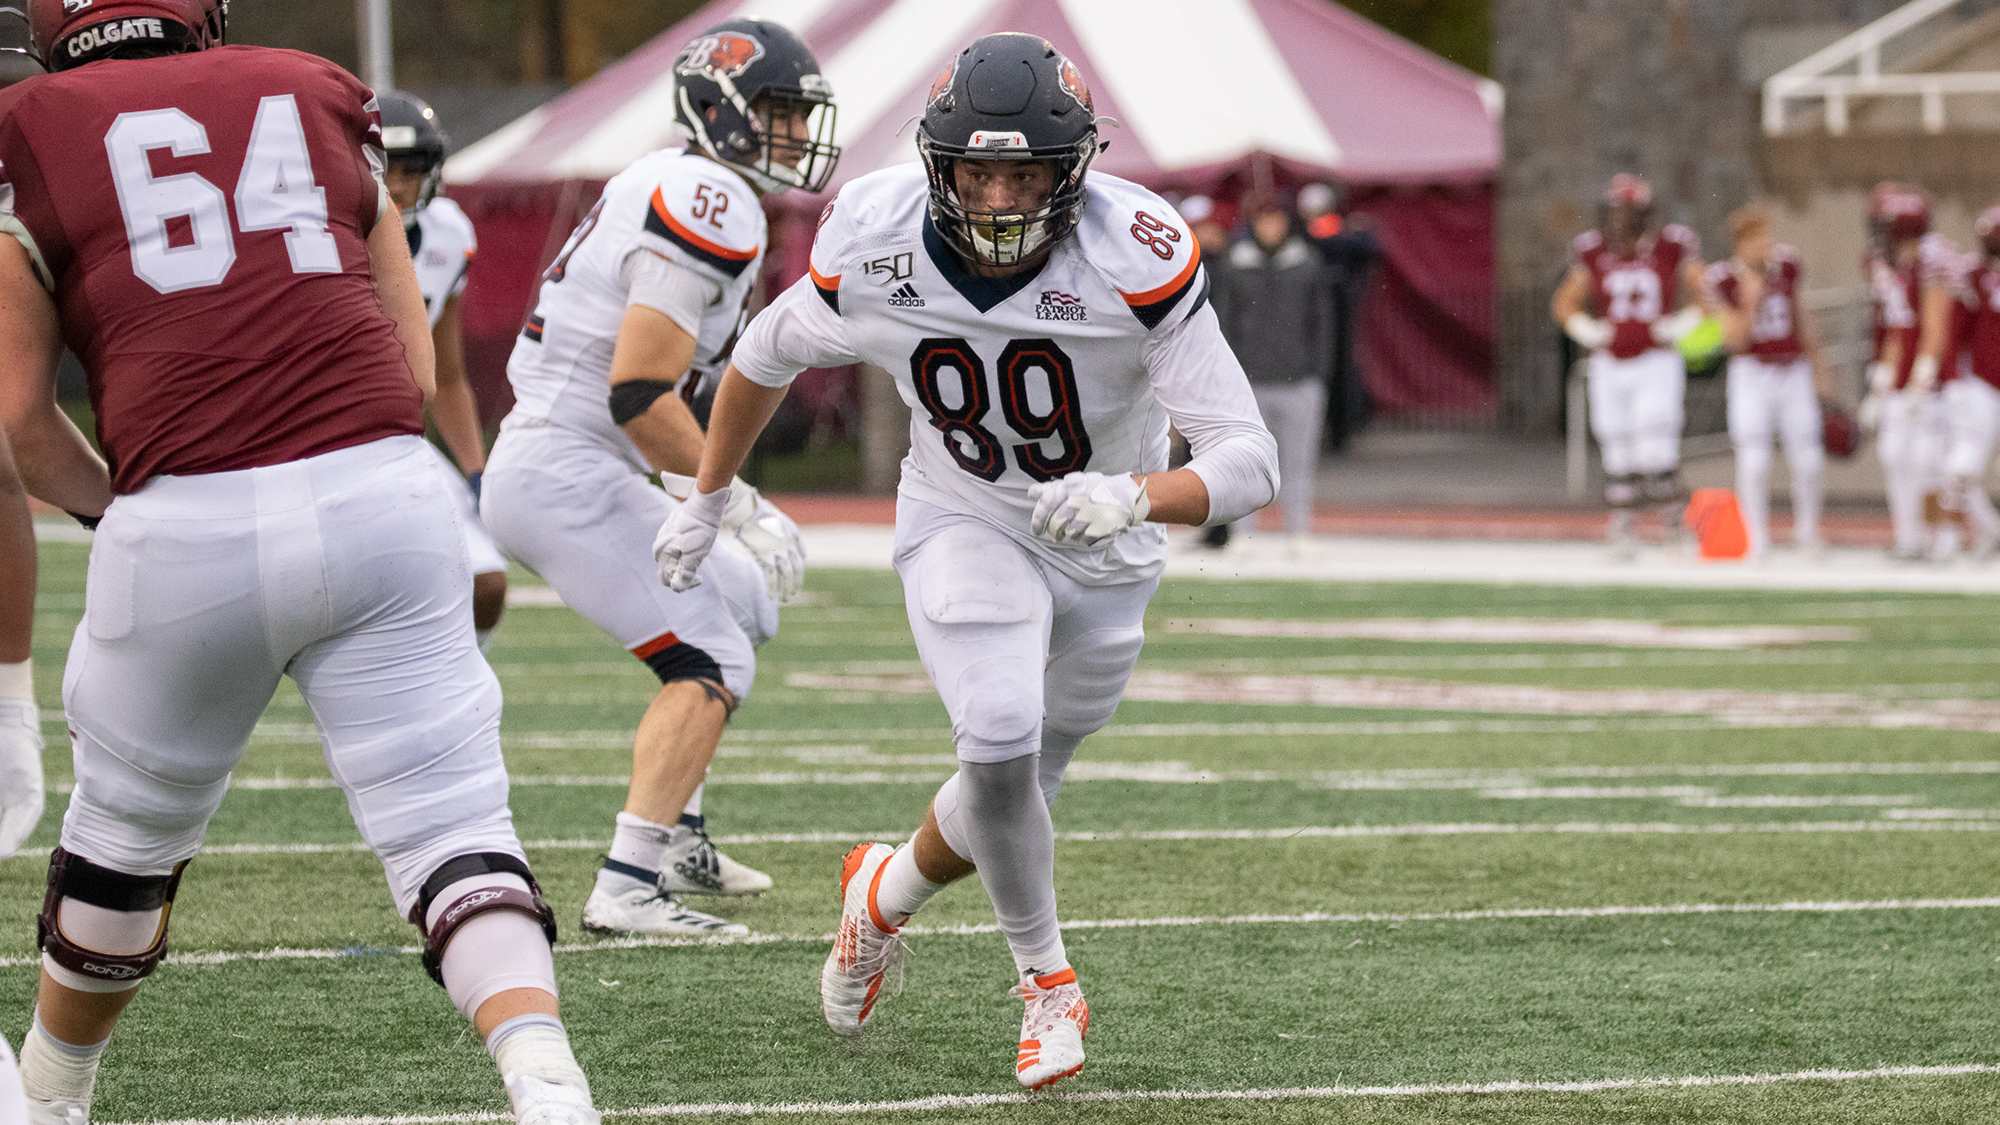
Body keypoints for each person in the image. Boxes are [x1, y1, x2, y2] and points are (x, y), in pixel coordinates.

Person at [0, 3, 598, 1120]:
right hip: (383, 494)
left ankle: (52, 1094)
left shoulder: (27, 124)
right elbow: (412, 371)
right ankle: (544, 1076)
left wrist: (128, 517)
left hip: (180, 520)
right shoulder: (314, 85)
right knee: (453, 828)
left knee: (125, 844)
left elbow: (24, 424)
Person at [652, 33, 1279, 1089]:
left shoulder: (1134, 248)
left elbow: (1247, 457)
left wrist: (1135, 494)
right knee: (994, 735)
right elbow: (761, 354)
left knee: (1018, 777)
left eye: (1024, 173)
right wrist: (707, 494)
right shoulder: (877, 233)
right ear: (938, 165)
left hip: (1106, 544)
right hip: (963, 516)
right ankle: (1045, 982)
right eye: (977, 170)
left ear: (1070, 169)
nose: (996, 196)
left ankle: (879, 898)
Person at [481, 18, 836, 936]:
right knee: (712, 653)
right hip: (566, 461)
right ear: (718, 110)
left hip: (567, 454)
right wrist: (732, 499)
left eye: (799, 117)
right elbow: (640, 391)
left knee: (744, 599)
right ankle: (629, 882)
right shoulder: (705, 194)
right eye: (777, 114)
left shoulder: (680, 181)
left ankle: (677, 832)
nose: (794, 135)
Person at [381, 90, 511, 650]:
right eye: (382, 167)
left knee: (486, 583)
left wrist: (477, 470)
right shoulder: (318, 235)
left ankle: (457, 695)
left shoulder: (449, 236)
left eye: (410, 171)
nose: (396, 184)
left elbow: (450, 376)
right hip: (315, 440)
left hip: (398, 439)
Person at [1551, 174, 1706, 555]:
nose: (1618, 220)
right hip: (1610, 362)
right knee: (1616, 445)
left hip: (1656, 359)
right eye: (1614, 211)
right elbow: (1564, 303)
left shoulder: (1672, 245)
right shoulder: (1593, 248)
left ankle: (1675, 522)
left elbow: (1704, 291)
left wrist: (1683, 323)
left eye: (1626, 211)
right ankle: (1624, 528)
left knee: (1654, 447)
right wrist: (1588, 330)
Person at [1703, 203, 1835, 558]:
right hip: (1751, 372)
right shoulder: (1722, 279)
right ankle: (1756, 538)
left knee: (1808, 458)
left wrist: (1821, 372)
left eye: (1767, 235)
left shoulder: (1787, 265)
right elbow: (1734, 339)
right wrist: (1752, 296)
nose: (1767, 243)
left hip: (1792, 371)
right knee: (1754, 460)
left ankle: (1807, 533)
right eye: (1758, 237)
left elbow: (1801, 318)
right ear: (1740, 243)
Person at [1218, 193, 1334, 542]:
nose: (1269, 227)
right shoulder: (1235, 264)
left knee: (1298, 464)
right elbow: (1223, 323)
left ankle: (1298, 533)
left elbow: (1322, 322)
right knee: (1244, 465)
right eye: (1263, 220)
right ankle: (1243, 535)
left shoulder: (1307, 263)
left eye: (1275, 219)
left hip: (1299, 381)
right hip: (1249, 383)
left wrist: (1317, 372)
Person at [1860, 183, 1961, 561]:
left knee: (1930, 463)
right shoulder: (1896, 264)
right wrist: (1881, 385)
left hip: (1937, 381)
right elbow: (1897, 331)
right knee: (1893, 455)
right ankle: (1910, 537)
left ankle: (1943, 538)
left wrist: (1922, 379)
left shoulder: (1931, 257)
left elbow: (1935, 328)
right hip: (1906, 380)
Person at [1297, 181, 1379, 448]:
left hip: (1338, 310)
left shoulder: (1339, 234)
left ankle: (1340, 430)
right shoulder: (1300, 235)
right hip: (1304, 314)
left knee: (1339, 368)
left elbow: (1367, 251)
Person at [1940, 204, 2000, 559]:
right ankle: (1949, 537)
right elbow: (1955, 331)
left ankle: (1988, 532)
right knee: (1962, 466)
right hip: (1981, 385)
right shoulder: (1974, 275)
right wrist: (1953, 381)